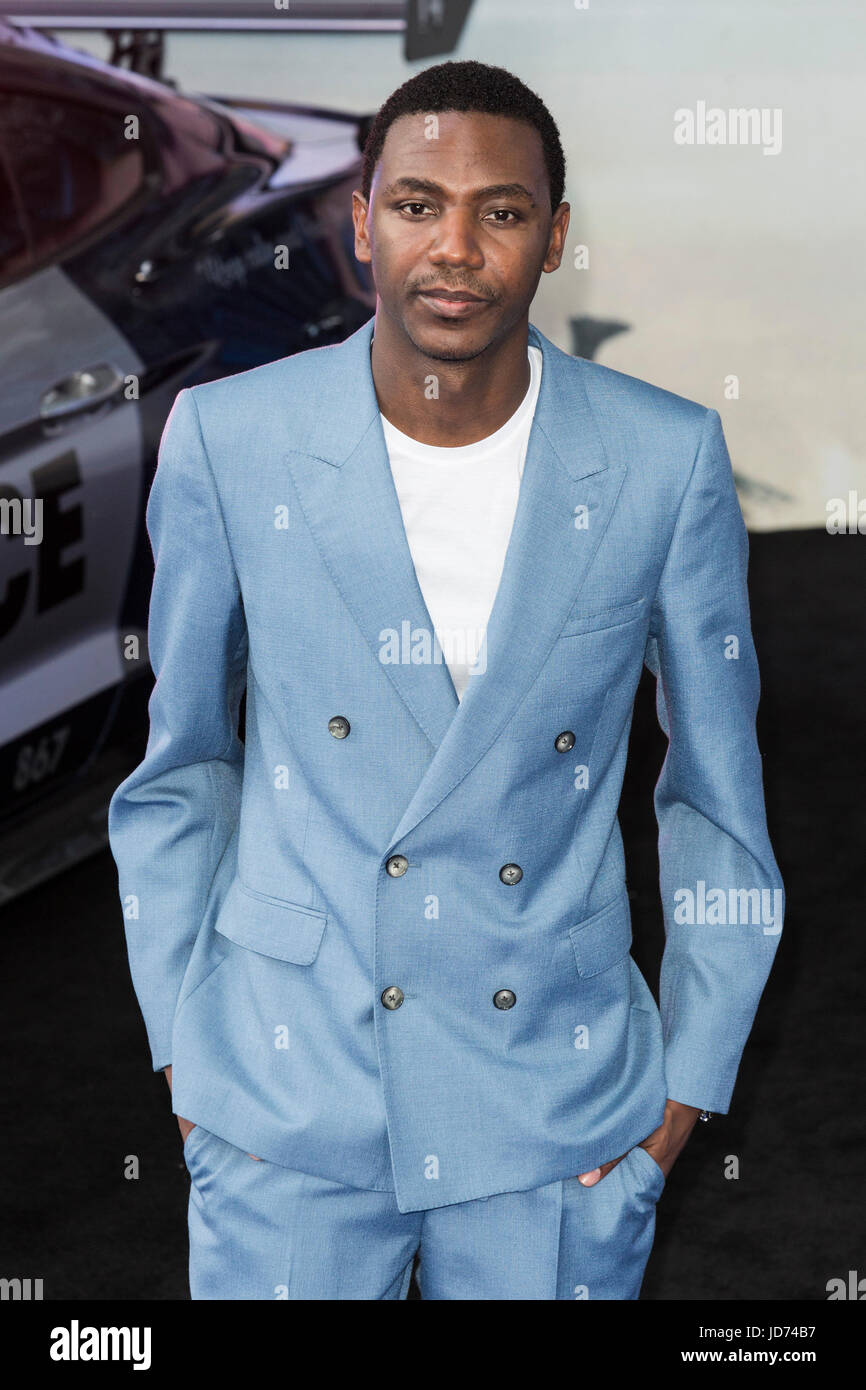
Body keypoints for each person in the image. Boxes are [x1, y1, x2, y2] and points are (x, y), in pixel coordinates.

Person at [108, 59, 784, 1300]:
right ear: (360, 224)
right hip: (286, 1098)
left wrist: (686, 1080)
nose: (455, 248)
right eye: (417, 204)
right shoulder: (229, 437)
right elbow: (182, 767)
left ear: (555, 236)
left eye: (502, 211)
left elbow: (713, 797)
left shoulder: (661, 457)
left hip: (556, 1108)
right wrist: (187, 1063)